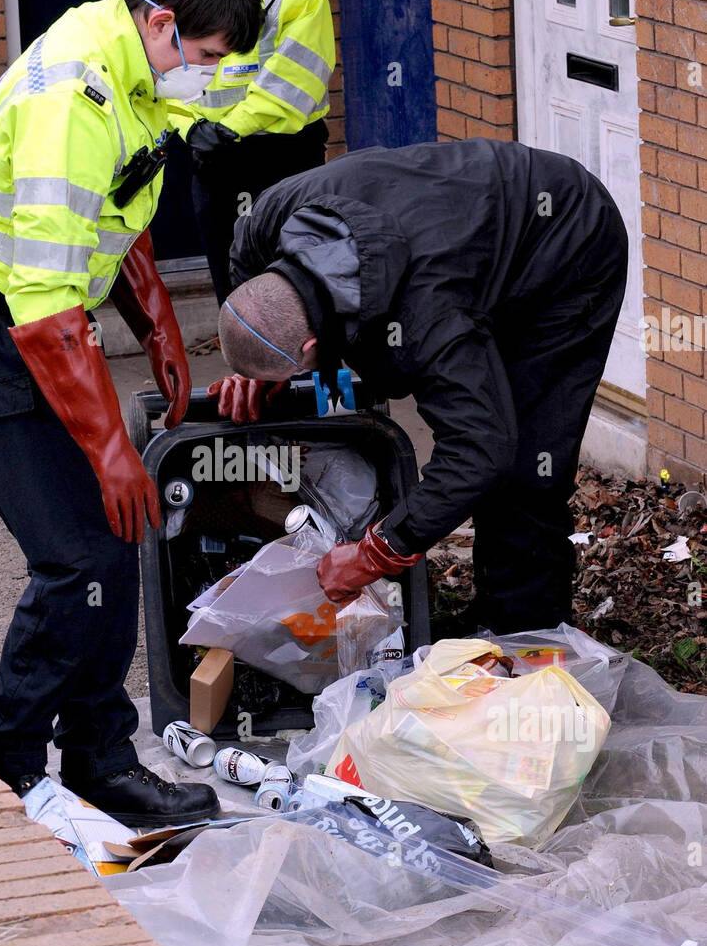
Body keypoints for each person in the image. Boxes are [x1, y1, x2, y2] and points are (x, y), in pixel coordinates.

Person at [0, 0, 263, 824]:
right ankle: (7, 759)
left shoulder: (133, 65)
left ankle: (100, 755)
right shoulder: (73, 94)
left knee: (115, 538)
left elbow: (117, 206)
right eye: (210, 58)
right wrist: (112, 448)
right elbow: (45, 310)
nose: (212, 79)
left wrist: (159, 326)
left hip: (25, 315)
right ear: (161, 22)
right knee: (77, 553)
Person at [209, 138, 628, 635]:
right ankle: (489, 613)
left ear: (309, 346)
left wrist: (375, 552)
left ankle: (526, 639)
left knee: (523, 461)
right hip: (467, 226)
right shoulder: (267, 221)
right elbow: (249, 284)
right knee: (492, 423)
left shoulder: (424, 315)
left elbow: (478, 449)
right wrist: (253, 370)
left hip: (567, 241)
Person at [171, 0, 335, 302]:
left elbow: (298, 78)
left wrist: (230, 127)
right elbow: (162, 70)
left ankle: (301, 369)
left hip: (282, 153)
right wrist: (191, 128)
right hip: (210, 155)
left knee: (298, 277)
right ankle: (248, 370)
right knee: (231, 285)